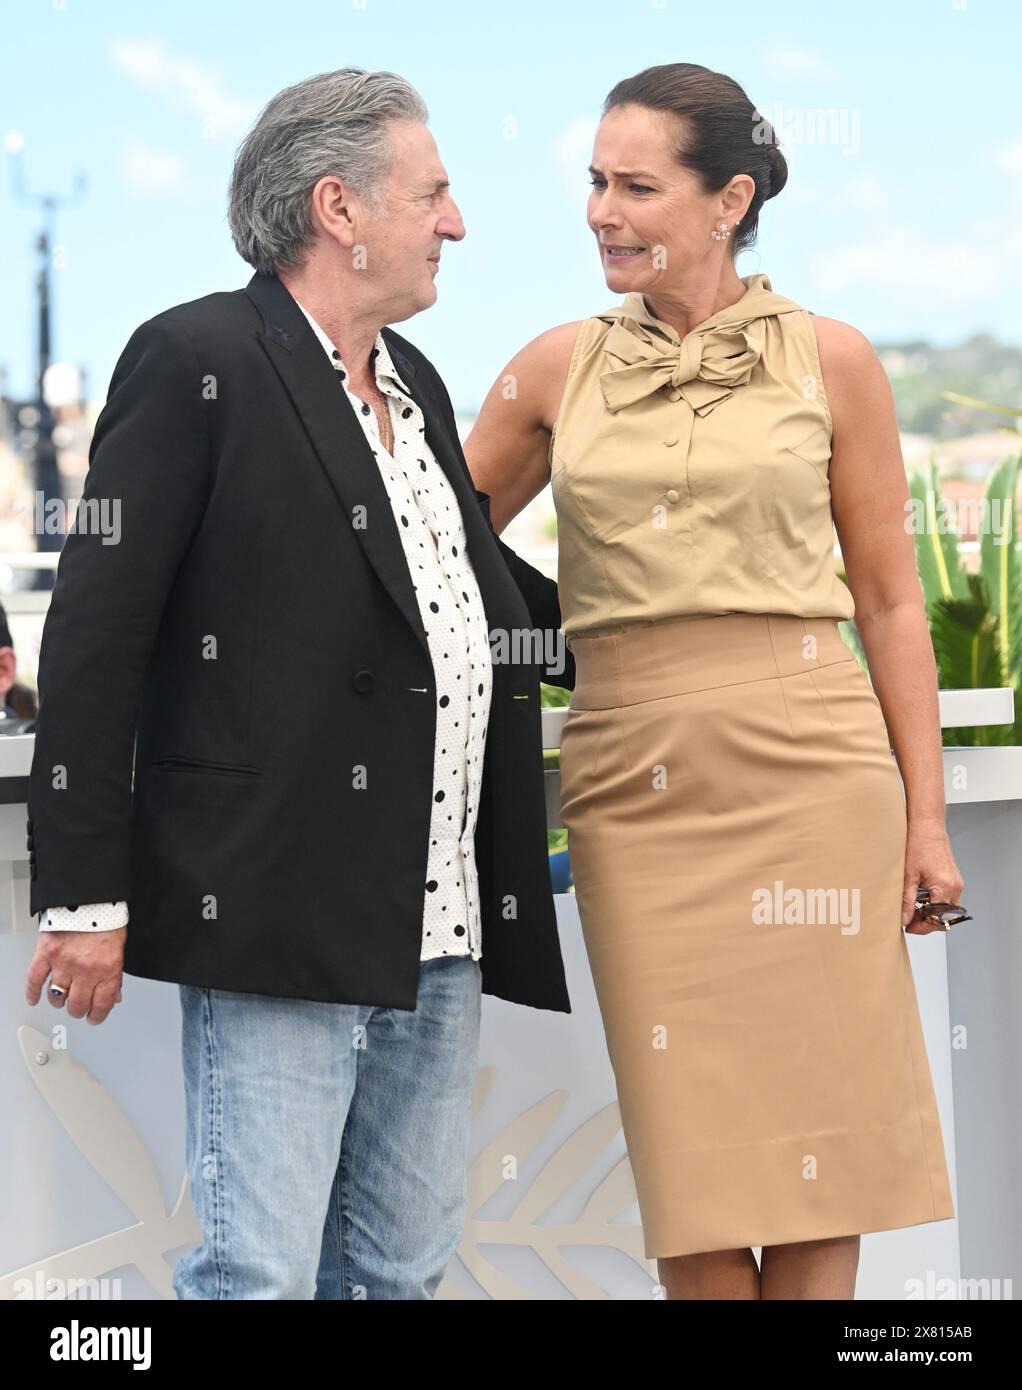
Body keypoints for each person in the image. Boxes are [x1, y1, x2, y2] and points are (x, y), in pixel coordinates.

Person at [23, 67, 574, 1300]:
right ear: (338, 206)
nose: (457, 222)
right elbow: (97, 635)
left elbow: (481, 594)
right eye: (433, 193)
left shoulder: (417, 385)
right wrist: (84, 895)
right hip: (276, 907)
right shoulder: (194, 358)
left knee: (400, 1270)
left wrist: (684, 625)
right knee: (260, 1276)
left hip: (435, 917)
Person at [465, 61, 959, 1301]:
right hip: (633, 786)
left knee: (815, 1156)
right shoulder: (552, 367)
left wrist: (923, 817)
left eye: (636, 186)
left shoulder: (833, 360)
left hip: (813, 772)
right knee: (690, 1165)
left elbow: (892, 601)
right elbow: (423, 549)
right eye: (593, 181)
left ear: (728, 198)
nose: (600, 211)